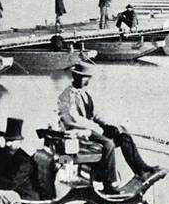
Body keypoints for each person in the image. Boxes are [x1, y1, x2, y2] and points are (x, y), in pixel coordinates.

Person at [57, 62, 161, 195]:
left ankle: (141, 169)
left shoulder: (85, 93)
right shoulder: (66, 95)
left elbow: (94, 114)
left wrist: (108, 125)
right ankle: (108, 184)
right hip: (76, 132)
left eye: (89, 77)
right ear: (75, 76)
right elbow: (73, 119)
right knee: (108, 144)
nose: (88, 80)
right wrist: (97, 128)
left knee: (123, 135)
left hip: (90, 129)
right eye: (85, 77)